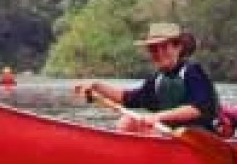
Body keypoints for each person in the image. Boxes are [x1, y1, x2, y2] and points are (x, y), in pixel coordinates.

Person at [74, 22, 221, 133]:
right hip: (172, 135)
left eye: (164, 47)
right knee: (128, 122)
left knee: (135, 122)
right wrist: (96, 86)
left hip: (203, 134)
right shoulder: (157, 79)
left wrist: (158, 116)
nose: (158, 53)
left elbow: (198, 108)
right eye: (153, 49)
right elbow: (128, 98)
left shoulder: (193, 71)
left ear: (178, 47)